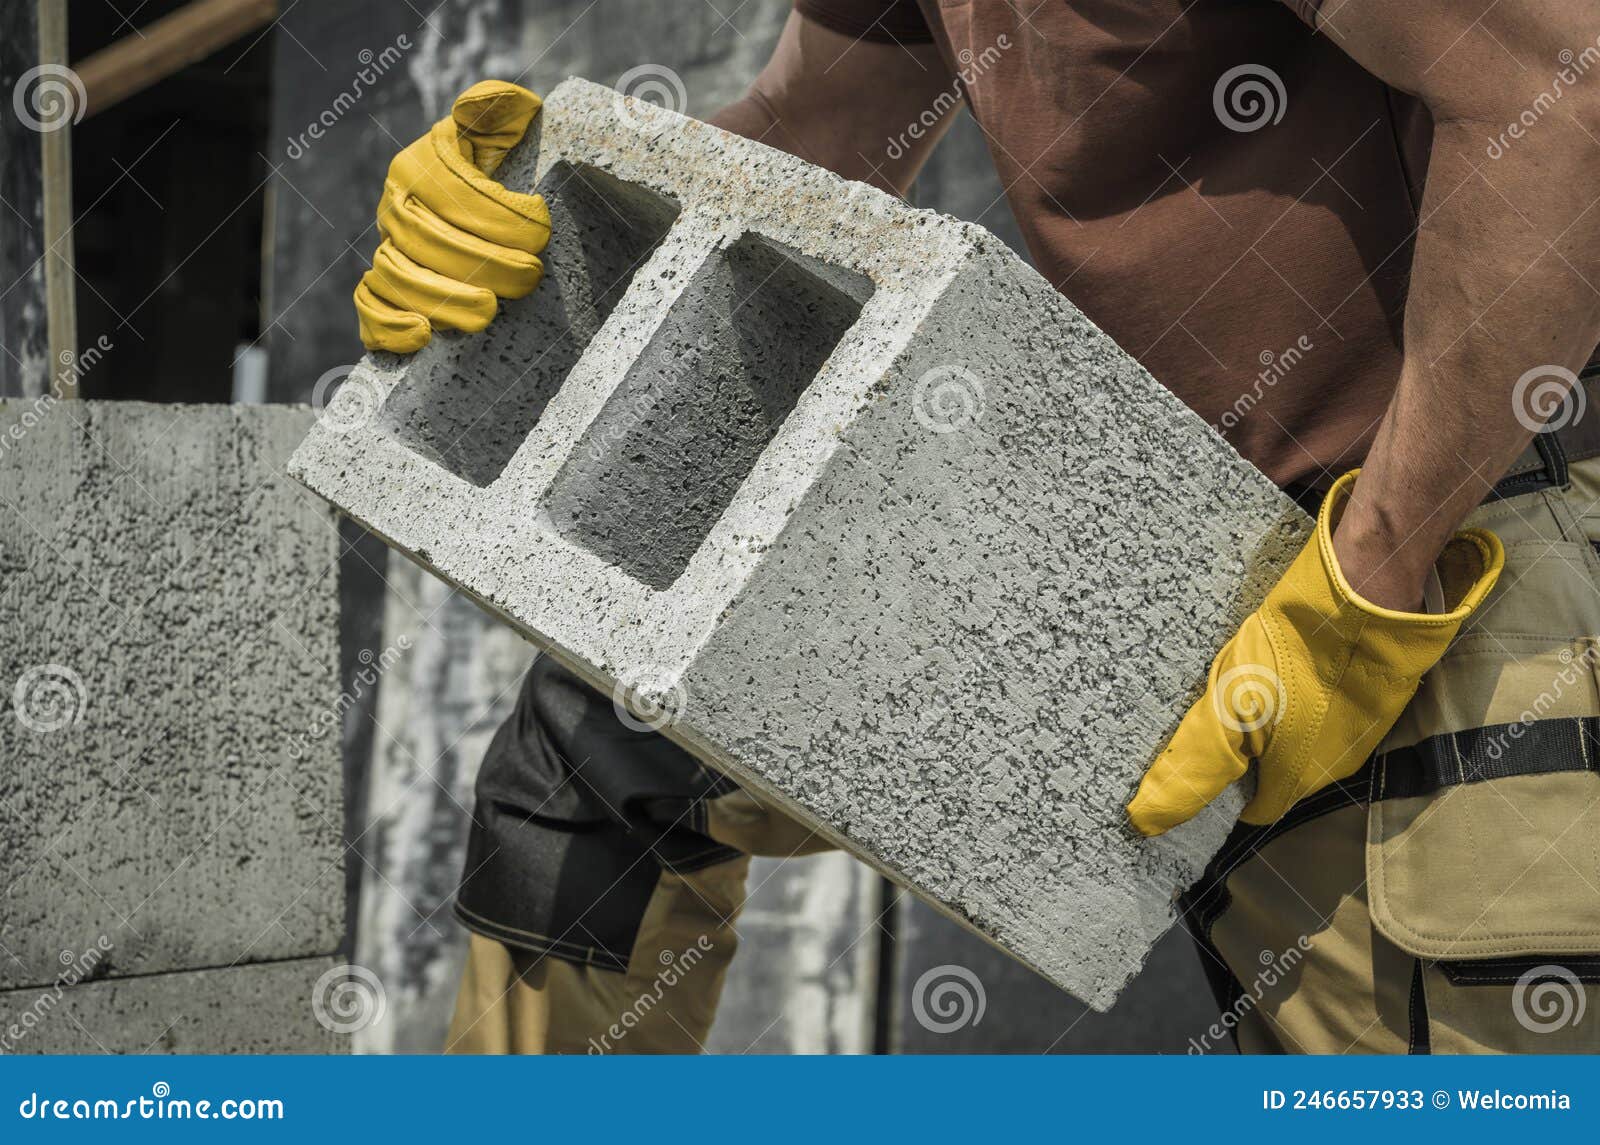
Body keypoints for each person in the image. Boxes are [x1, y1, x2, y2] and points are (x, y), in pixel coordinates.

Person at [354, 2, 1600, 1053]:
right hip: (1179, 556)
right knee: (595, 756)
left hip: (1451, 546)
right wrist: (556, 201)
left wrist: (1372, 574)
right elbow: (818, 133)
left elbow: (1561, 90)